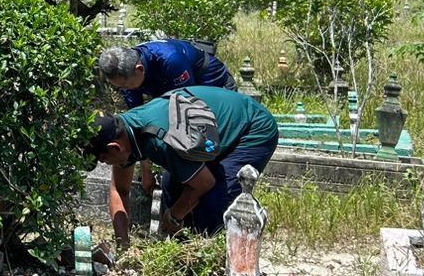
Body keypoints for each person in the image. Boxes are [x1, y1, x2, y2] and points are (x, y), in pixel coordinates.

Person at [84, 86, 279, 245]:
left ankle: (209, 260)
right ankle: (184, 247)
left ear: (115, 148)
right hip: (206, 134)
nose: (106, 164)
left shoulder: (159, 141)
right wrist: (123, 245)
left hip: (252, 127)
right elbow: (119, 190)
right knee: (172, 188)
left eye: (103, 159)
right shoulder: (124, 132)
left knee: (213, 204)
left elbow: (204, 184)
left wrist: (174, 216)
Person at [98, 40, 237, 195]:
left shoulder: (171, 60)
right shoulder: (127, 76)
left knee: (210, 152)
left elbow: (188, 112)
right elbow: (136, 129)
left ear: (139, 69)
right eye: (120, 87)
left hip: (213, 89)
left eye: (126, 86)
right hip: (175, 97)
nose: (124, 90)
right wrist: (146, 171)